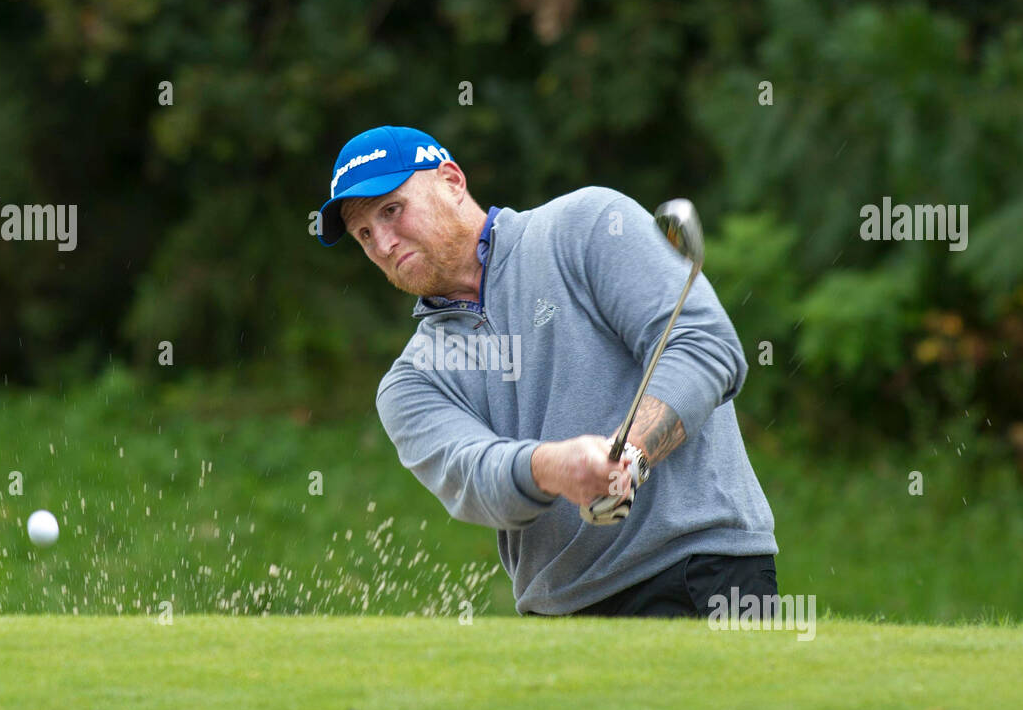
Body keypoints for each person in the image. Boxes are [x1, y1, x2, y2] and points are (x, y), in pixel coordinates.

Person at [316, 125, 779, 618]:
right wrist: (553, 468)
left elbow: (705, 346)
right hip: (564, 610)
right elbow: (474, 477)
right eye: (364, 234)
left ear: (451, 181)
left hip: (704, 565)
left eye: (392, 210)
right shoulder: (411, 382)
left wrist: (633, 454)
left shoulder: (588, 225)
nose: (383, 243)